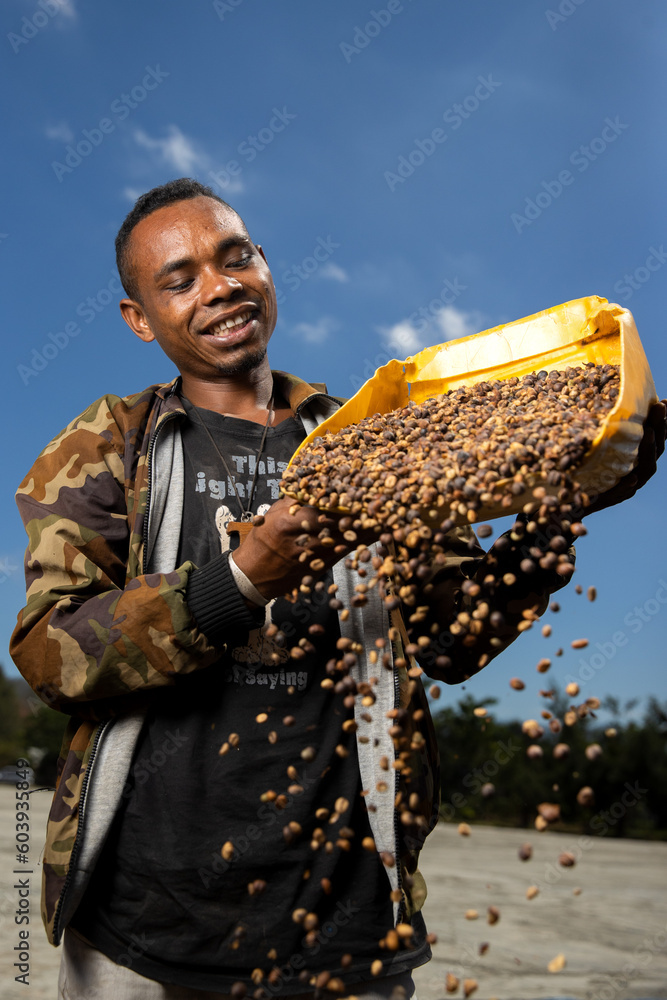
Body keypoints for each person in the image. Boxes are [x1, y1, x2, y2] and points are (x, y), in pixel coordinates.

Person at [11, 178, 665, 1000]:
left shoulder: (372, 434)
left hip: (350, 922)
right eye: (179, 280)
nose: (219, 287)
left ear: (265, 265)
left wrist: (553, 516)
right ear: (138, 319)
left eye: (235, 256)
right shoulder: (107, 442)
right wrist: (242, 580)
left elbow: (447, 640)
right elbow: (51, 655)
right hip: (148, 927)